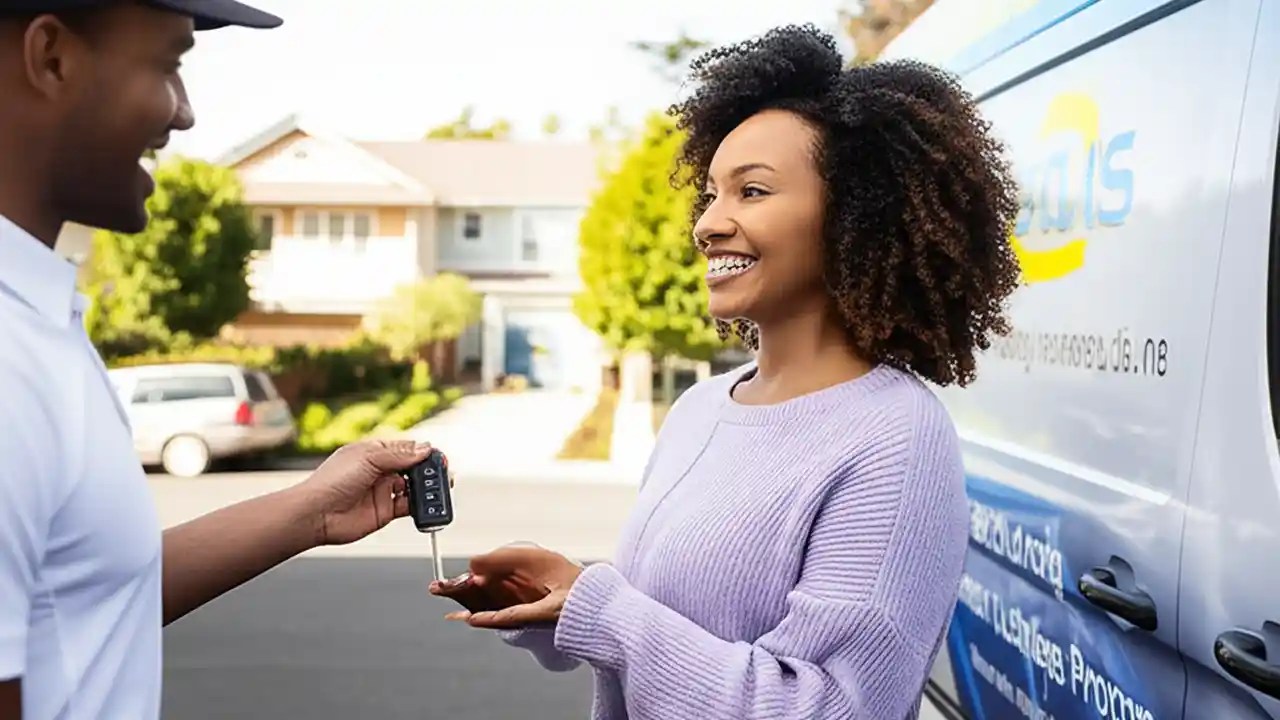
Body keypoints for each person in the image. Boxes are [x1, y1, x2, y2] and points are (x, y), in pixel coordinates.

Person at [430, 23, 1022, 719]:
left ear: (856, 217)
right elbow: (668, 623)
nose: (709, 222)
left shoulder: (895, 440)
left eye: (753, 192)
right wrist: (567, 597)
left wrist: (603, 608)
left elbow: (825, 706)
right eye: (711, 193)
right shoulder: (703, 407)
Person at [0, 2, 437, 718]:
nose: (184, 113)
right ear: (51, 57)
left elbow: (87, 600)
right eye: (168, 65)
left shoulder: (36, 318)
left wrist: (310, 513)